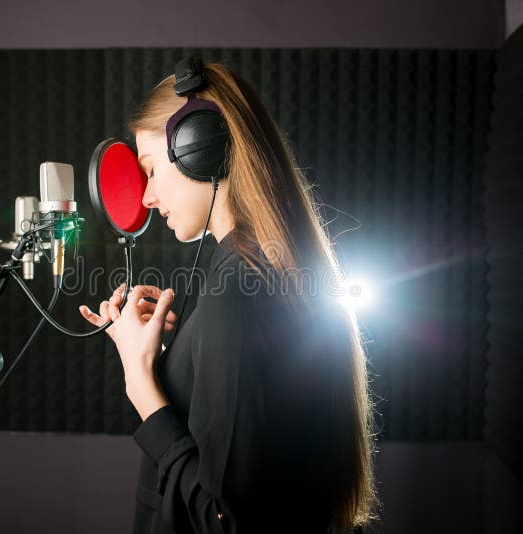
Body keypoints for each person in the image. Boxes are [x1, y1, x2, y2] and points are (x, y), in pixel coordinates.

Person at [79, 59, 376, 534]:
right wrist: (174, 357)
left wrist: (143, 386)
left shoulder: (238, 293)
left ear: (200, 147)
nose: (147, 198)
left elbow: (226, 522)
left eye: (150, 170)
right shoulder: (257, 269)